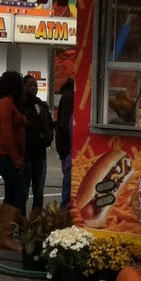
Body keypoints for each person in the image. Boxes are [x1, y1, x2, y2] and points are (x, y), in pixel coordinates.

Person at [0, 69, 28, 252]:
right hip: (3, 154)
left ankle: (9, 235)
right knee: (18, 193)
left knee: (14, 192)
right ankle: (6, 237)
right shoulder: (6, 103)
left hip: (8, 155)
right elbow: (7, 133)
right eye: (20, 83)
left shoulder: (11, 103)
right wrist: (16, 159)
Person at [20, 73, 55, 213]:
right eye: (30, 85)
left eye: (35, 85)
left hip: (41, 154)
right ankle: (21, 222)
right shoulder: (21, 106)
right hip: (27, 154)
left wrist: (48, 138)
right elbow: (25, 129)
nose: (34, 88)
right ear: (23, 87)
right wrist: (38, 139)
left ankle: (36, 220)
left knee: (39, 190)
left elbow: (49, 124)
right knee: (24, 189)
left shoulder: (41, 104)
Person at [54, 76, 75, 207]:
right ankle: (64, 216)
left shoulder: (66, 95)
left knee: (68, 185)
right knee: (68, 187)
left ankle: (64, 214)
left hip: (64, 147)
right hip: (68, 150)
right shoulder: (71, 97)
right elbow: (65, 125)